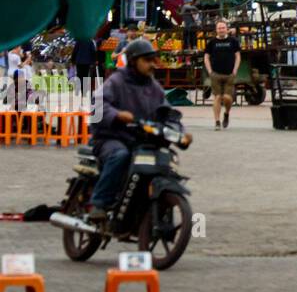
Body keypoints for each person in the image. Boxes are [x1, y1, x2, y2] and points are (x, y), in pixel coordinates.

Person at [87, 39, 189, 221]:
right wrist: (117, 115)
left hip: (141, 139)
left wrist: (179, 132)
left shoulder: (154, 87)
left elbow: (168, 113)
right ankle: (100, 203)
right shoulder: (116, 81)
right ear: (133, 61)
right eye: (147, 60)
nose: (152, 65)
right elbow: (97, 105)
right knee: (120, 156)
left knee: (164, 162)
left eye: (153, 60)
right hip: (111, 138)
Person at [204, 18, 241, 131]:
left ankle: (227, 113)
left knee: (228, 98)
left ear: (227, 29)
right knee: (217, 97)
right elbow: (206, 57)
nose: (221, 30)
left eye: (223, 28)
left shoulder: (233, 41)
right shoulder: (211, 42)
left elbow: (238, 56)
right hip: (215, 74)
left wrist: (235, 70)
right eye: (219, 28)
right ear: (216, 30)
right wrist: (210, 71)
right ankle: (217, 121)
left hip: (229, 74)